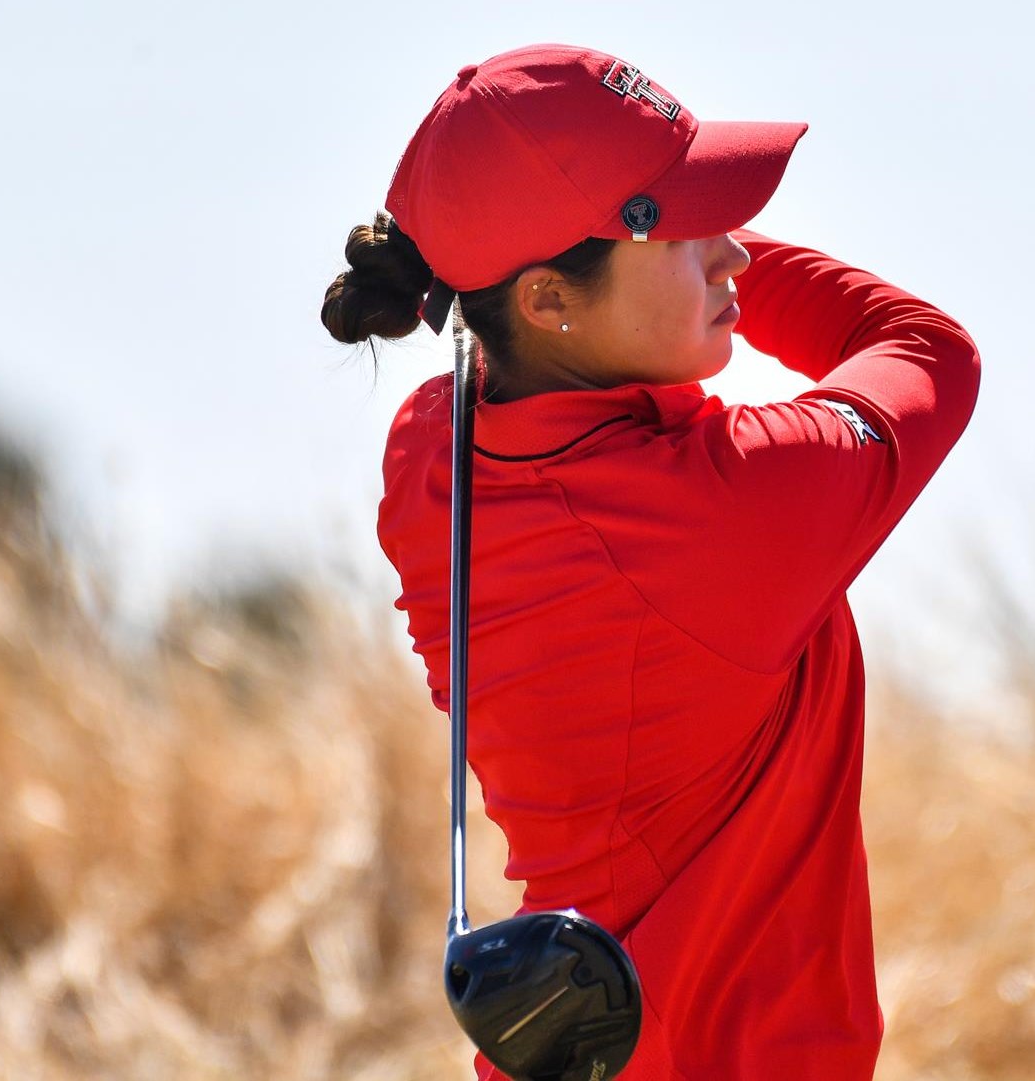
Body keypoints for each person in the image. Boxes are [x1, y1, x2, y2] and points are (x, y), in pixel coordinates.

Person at [322, 43, 981, 1080]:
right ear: (543, 302)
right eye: (677, 231)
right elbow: (922, 347)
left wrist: (634, 237)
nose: (736, 257)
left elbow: (526, 330)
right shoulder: (731, 504)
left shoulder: (429, 451)